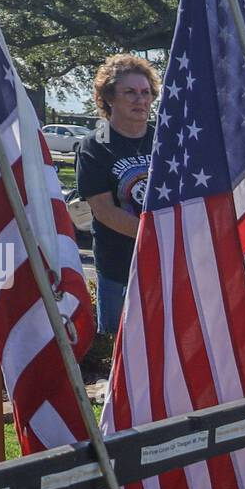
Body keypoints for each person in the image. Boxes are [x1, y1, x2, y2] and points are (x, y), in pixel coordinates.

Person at [76, 54, 158, 335]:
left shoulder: (165, 139)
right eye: (130, 92)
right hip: (119, 265)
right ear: (109, 98)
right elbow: (105, 212)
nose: (140, 100)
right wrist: (158, 235)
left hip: (165, 261)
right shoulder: (95, 146)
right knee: (119, 344)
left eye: (146, 92)